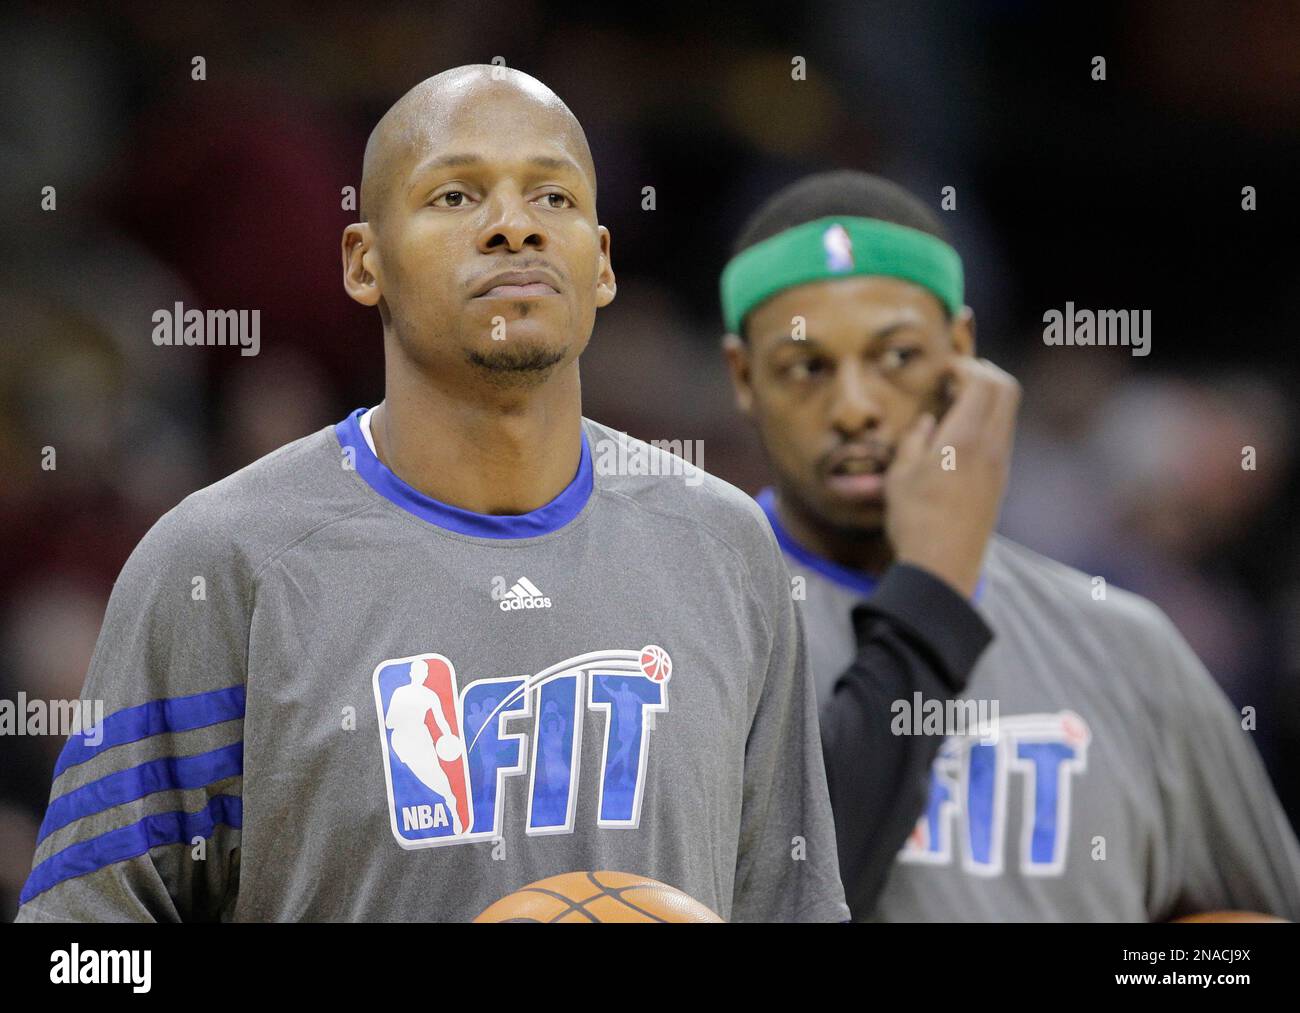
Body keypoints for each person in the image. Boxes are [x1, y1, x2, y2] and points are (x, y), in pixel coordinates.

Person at [17, 66, 850, 922]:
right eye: (456, 196)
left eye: (554, 198)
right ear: (363, 261)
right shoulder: (221, 560)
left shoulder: (725, 547)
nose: (514, 228)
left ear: (601, 265)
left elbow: (793, 903)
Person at [719, 169, 1300, 921]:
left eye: (897, 356)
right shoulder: (691, 624)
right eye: (807, 366)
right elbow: (781, 904)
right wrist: (932, 580)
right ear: (742, 376)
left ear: (961, 349)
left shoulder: (1127, 646)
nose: (855, 407)